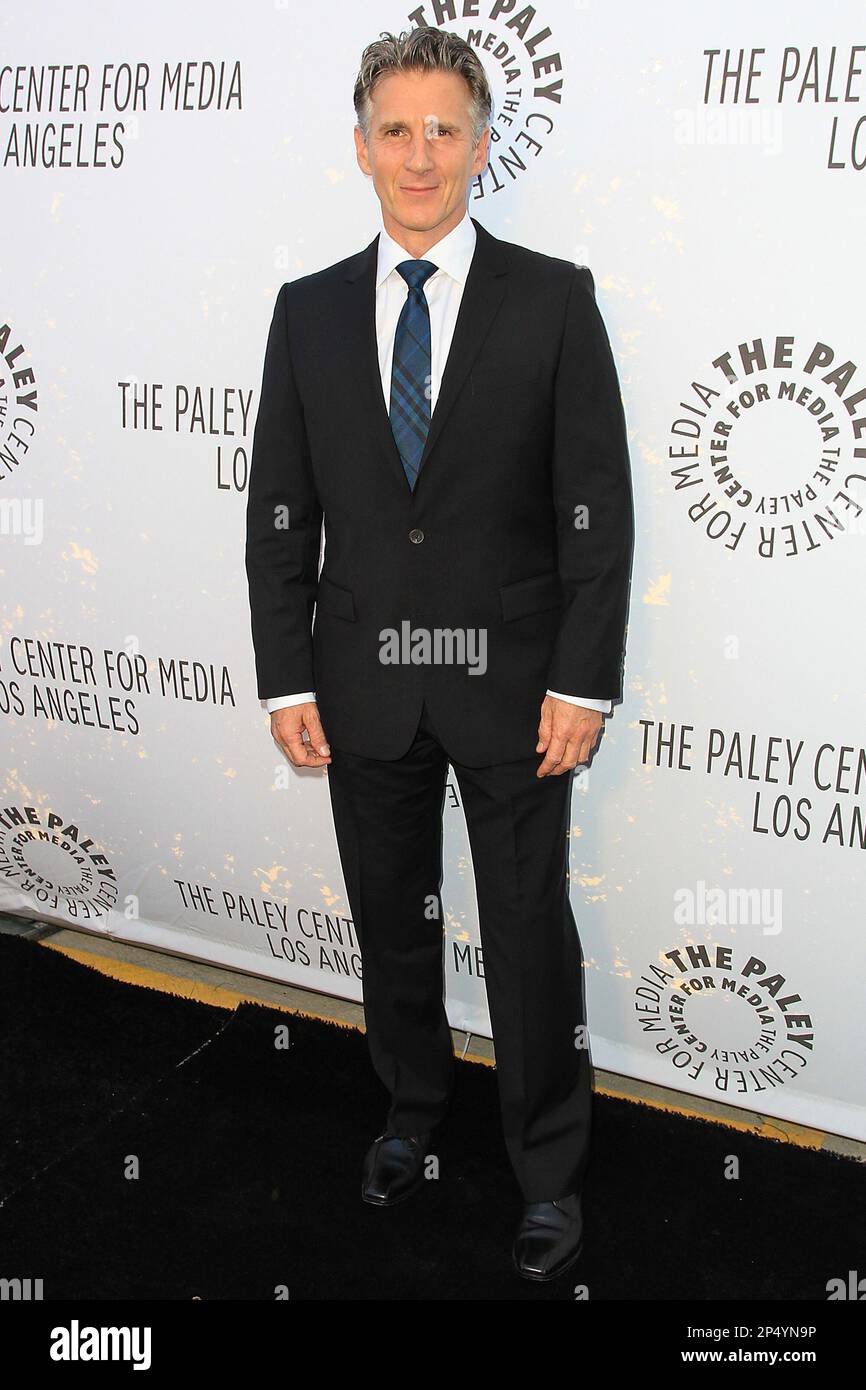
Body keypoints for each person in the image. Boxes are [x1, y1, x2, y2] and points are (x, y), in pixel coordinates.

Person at [245, 25, 634, 1282]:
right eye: (396, 130)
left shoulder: (553, 298)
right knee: (393, 925)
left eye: (444, 129)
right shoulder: (304, 313)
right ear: (360, 147)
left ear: (480, 145)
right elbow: (280, 509)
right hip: (358, 682)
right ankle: (411, 1117)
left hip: (517, 690)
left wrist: (579, 676)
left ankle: (546, 1168)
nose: (421, 155)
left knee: (527, 934)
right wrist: (287, 670)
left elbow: (596, 506)